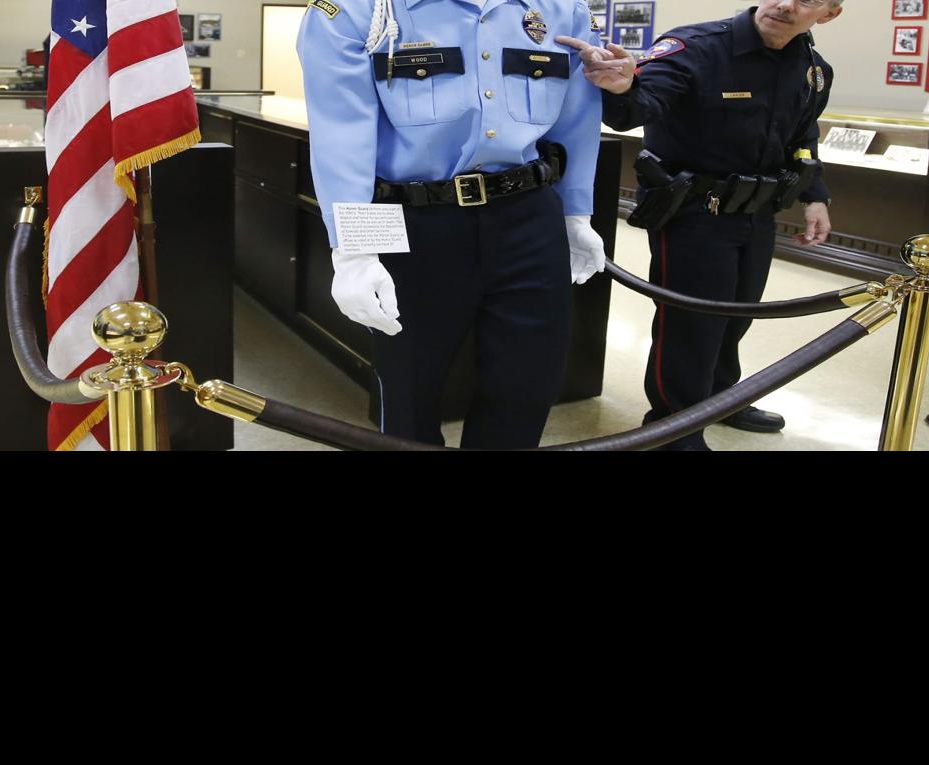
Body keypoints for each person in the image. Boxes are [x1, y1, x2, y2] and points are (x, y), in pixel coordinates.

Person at [298, 0, 605, 448]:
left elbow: (579, 115)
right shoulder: (358, 11)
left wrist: (576, 214)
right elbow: (343, 134)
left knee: (526, 387)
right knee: (409, 393)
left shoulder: (561, 9)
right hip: (413, 220)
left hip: (528, 215)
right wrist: (353, 250)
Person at [560, 0, 841, 450]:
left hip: (759, 212)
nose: (786, 5)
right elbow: (638, 108)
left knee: (738, 314)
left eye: (807, 1)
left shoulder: (812, 68)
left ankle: (722, 398)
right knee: (692, 326)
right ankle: (674, 426)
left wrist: (815, 195)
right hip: (694, 212)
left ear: (829, 14)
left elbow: (803, 137)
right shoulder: (696, 46)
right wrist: (621, 88)